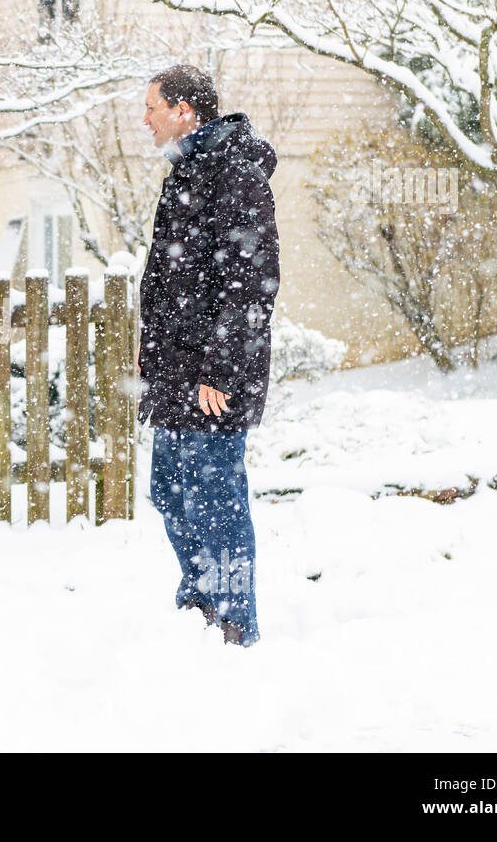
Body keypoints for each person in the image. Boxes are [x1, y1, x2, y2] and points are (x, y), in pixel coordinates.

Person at [137, 65, 280, 647]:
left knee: (216, 499)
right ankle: (198, 605)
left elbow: (251, 279)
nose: (143, 118)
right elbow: (176, 278)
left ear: (183, 110)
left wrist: (218, 367)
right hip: (178, 372)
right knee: (171, 489)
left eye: (151, 106)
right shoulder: (186, 168)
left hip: (214, 377)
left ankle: (234, 624)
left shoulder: (234, 172)